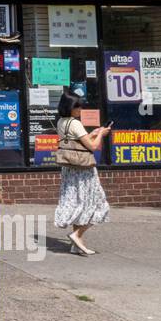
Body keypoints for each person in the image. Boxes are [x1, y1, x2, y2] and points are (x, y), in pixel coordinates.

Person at [53, 88, 111, 256]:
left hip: (70, 169)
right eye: (77, 106)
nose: (80, 110)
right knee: (99, 204)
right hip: (84, 170)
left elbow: (78, 143)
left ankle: (76, 244)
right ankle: (77, 234)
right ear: (69, 107)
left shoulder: (61, 122)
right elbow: (92, 147)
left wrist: (91, 133)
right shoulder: (75, 123)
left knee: (78, 203)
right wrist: (101, 134)